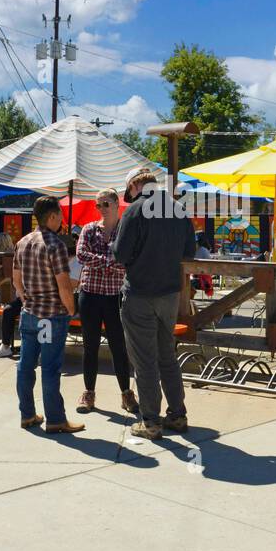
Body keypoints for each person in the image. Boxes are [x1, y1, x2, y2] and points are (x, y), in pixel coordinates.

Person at [113, 168, 196, 440]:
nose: (129, 196)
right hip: (170, 294)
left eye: (129, 192)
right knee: (167, 356)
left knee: (144, 360)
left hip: (139, 293)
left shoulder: (134, 211)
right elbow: (189, 252)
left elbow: (121, 253)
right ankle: (178, 414)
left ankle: (150, 421)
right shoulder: (177, 209)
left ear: (135, 184)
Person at [13, 196, 82, 433]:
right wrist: (71, 308)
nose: (62, 219)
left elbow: (16, 280)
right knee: (50, 368)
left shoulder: (22, 242)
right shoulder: (55, 245)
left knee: (25, 366)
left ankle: (27, 414)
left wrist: (25, 297)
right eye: (60, 215)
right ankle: (55, 419)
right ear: (52, 217)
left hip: (30, 313)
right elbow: (64, 284)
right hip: (52, 315)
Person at [74, 189, 138, 415]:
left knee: (118, 347)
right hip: (90, 294)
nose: (101, 208)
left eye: (105, 204)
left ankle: (126, 394)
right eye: (98, 205)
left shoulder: (125, 231)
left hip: (115, 296)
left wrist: (102, 262)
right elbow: (81, 254)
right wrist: (112, 262)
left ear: (116, 204)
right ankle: (88, 392)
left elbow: (130, 259)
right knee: (90, 346)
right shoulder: (89, 229)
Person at [0, 231, 21, 359]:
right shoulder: (15, 254)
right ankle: (5, 346)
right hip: (20, 295)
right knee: (7, 310)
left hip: (39, 298)